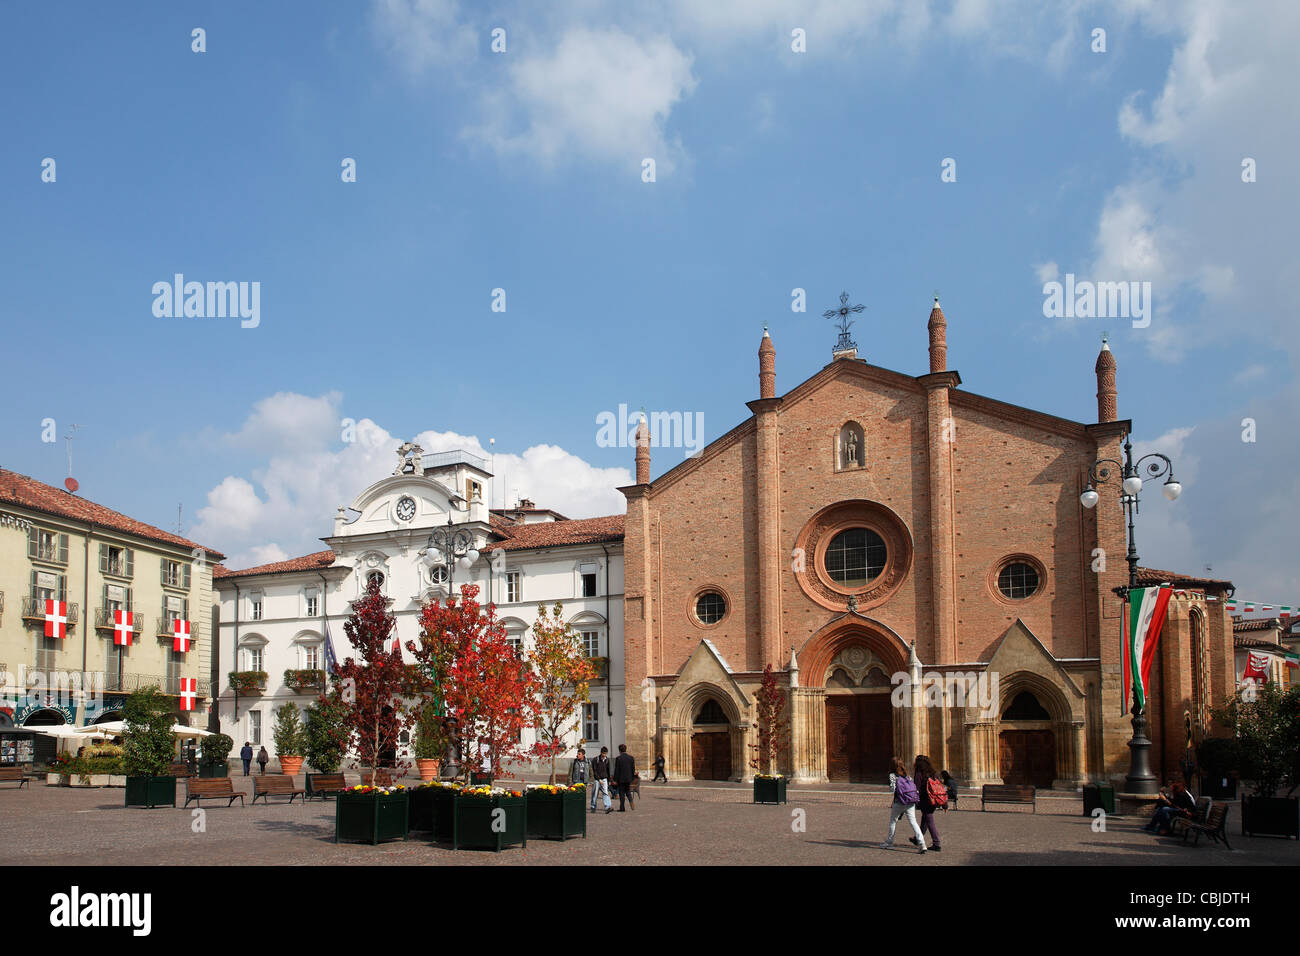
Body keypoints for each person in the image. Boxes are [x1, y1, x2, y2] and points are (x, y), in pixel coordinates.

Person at [880, 756, 926, 853]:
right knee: (913, 822)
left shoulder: (893, 775)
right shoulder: (907, 776)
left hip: (899, 802)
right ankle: (922, 843)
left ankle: (890, 842)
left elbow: (893, 789)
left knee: (893, 821)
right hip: (910, 802)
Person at [910, 755, 942, 852]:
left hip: (925, 800)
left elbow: (916, 787)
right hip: (934, 799)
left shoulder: (919, 773)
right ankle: (917, 838)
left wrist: (913, 799)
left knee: (929, 820)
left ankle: (936, 843)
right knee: (925, 819)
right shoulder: (933, 772)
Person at [613, 744, 636, 811]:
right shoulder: (631, 758)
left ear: (619, 750)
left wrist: (615, 779)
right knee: (628, 791)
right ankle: (631, 802)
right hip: (628, 778)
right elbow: (633, 769)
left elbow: (617, 770)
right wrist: (632, 777)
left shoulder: (618, 758)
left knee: (622, 793)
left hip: (621, 778)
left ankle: (622, 808)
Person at [590, 746, 613, 813]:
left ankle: (607, 807)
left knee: (606, 793)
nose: (604, 755)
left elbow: (608, 770)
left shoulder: (607, 760)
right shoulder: (596, 759)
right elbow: (594, 770)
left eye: (605, 753)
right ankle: (593, 807)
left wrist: (608, 780)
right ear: (601, 753)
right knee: (595, 793)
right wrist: (598, 779)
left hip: (604, 778)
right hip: (597, 779)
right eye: (603, 753)